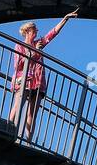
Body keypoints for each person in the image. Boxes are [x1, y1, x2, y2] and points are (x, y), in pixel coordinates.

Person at [8, 9, 78, 138]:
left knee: (32, 114)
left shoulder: (38, 43)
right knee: (17, 106)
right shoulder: (19, 46)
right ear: (27, 31)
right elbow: (18, 66)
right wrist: (35, 52)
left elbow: (52, 34)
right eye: (35, 30)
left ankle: (28, 140)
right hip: (23, 81)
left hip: (38, 82)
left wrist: (65, 18)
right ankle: (6, 130)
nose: (37, 31)